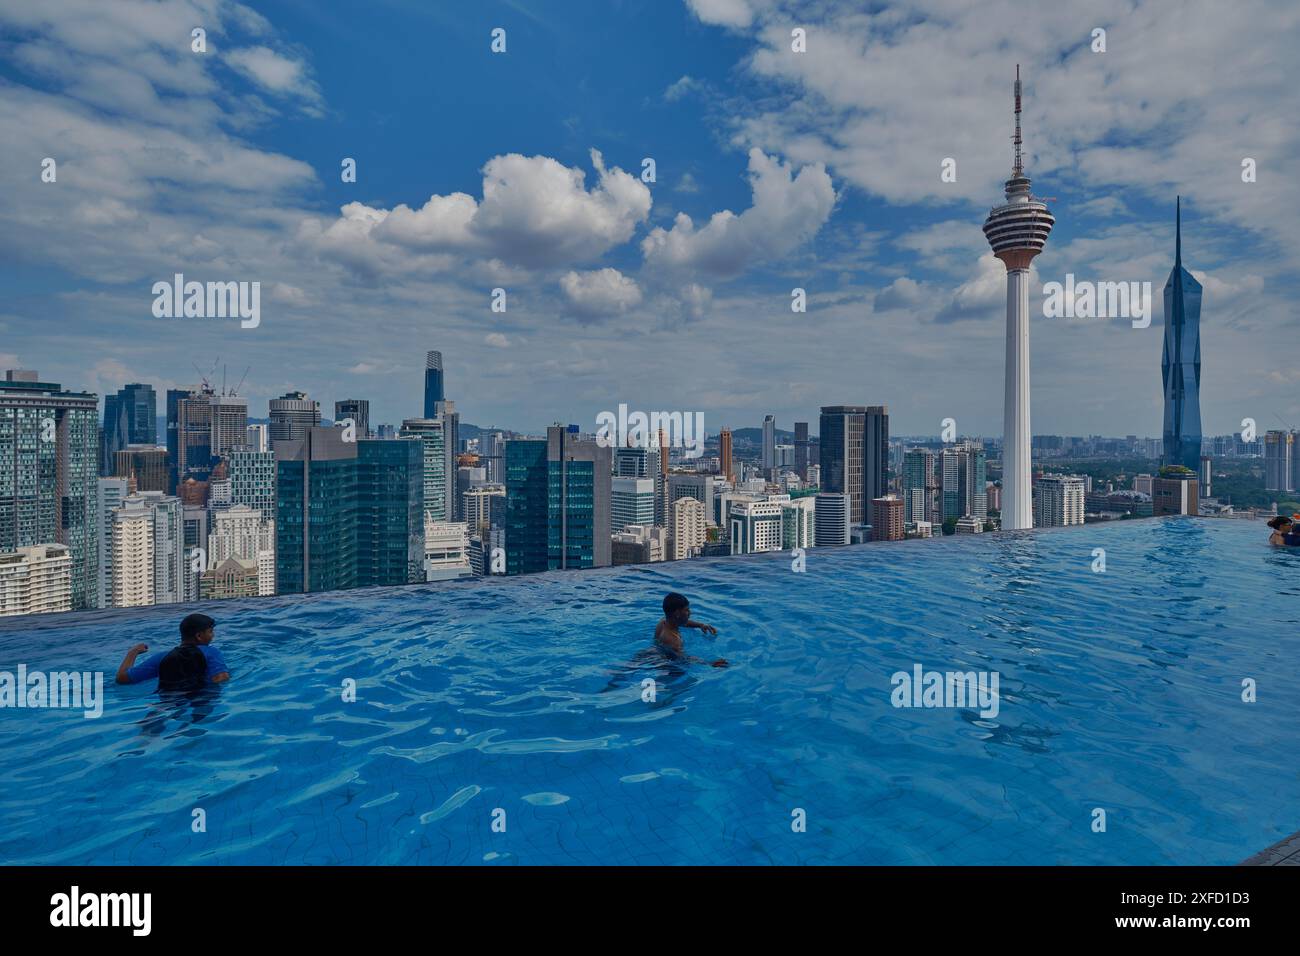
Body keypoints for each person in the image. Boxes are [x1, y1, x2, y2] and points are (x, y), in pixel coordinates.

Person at [116, 612, 230, 690]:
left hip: (168, 698)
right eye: (210, 631)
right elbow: (221, 678)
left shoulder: (162, 657)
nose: (213, 635)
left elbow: (121, 679)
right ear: (199, 636)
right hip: (200, 697)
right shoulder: (212, 652)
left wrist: (132, 652)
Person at [655, 592, 727, 668]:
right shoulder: (674, 640)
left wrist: (700, 625)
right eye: (687, 610)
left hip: (655, 652)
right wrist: (710, 663)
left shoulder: (663, 622)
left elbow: (682, 622)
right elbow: (683, 660)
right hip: (664, 664)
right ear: (677, 613)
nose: (690, 613)